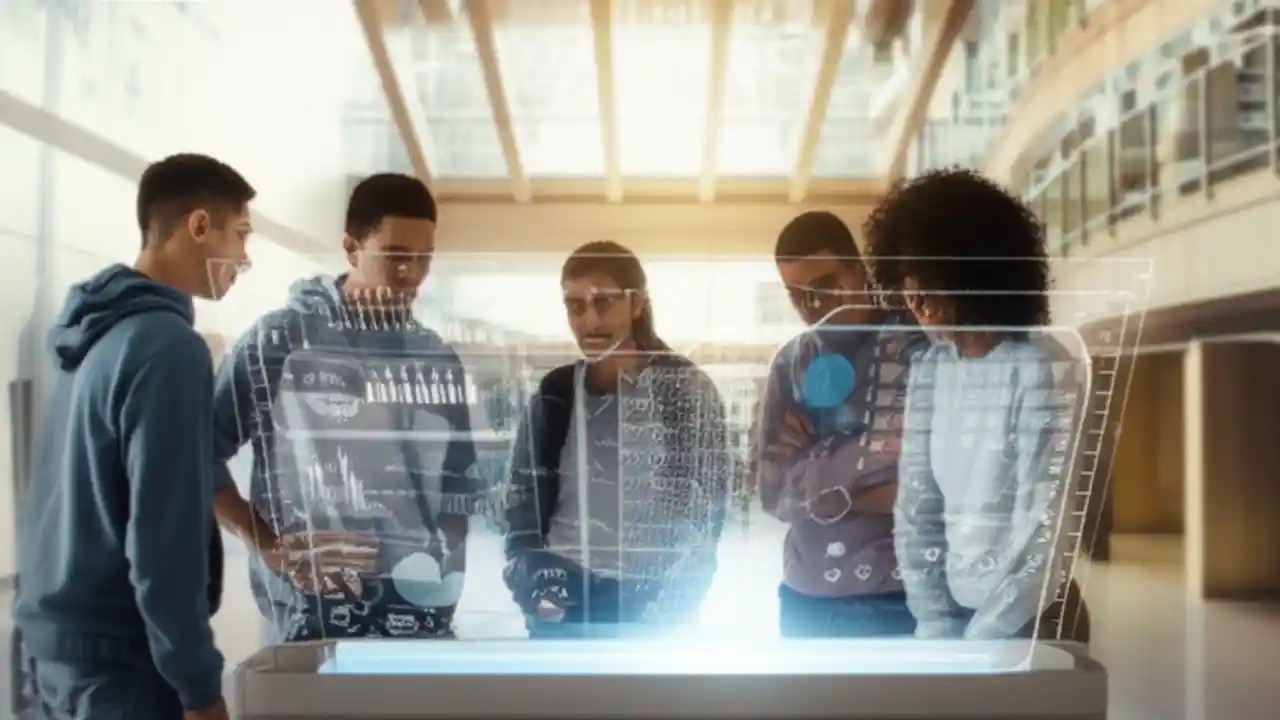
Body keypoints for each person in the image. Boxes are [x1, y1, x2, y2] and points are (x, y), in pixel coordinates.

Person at [14, 153, 254, 720]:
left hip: (50, 656)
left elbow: (149, 461)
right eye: (240, 235)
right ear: (199, 226)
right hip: (120, 671)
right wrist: (199, 688)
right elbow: (162, 542)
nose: (244, 258)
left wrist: (247, 523)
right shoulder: (168, 347)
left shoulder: (94, 335)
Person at [212, 173, 477, 641]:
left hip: (418, 616)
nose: (412, 275)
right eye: (396, 256)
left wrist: (445, 574)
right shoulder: (278, 344)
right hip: (311, 621)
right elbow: (195, 457)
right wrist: (269, 547)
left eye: (424, 259)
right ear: (352, 249)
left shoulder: (435, 357)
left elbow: (458, 478)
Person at [864, 167, 1090, 642]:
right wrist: (935, 622)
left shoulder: (1043, 365)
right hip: (957, 618)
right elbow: (917, 512)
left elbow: (1045, 526)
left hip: (1033, 621)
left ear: (973, 270)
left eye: (929, 280)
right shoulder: (931, 369)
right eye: (908, 283)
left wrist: (981, 643)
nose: (915, 300)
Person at [503, 241, 731, 638]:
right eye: (575, 307)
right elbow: (522, 497)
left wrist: (673, 605)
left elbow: (707, 512)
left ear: (637, 304)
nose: (589, 320)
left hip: (650, 604)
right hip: (560, 590)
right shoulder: (555, 391)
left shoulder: (686, 389)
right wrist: (531, 579)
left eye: (603, 302)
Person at [751, 211, 926, 638]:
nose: (812, 308)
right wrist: (870, 468)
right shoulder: (791, 363)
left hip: (900, 594)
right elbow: (772, 495)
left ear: (860, 271)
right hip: (805, 594)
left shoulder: (920, 347)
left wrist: (812, 463)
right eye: (797, 296)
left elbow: (930, 490)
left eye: (824, 287)